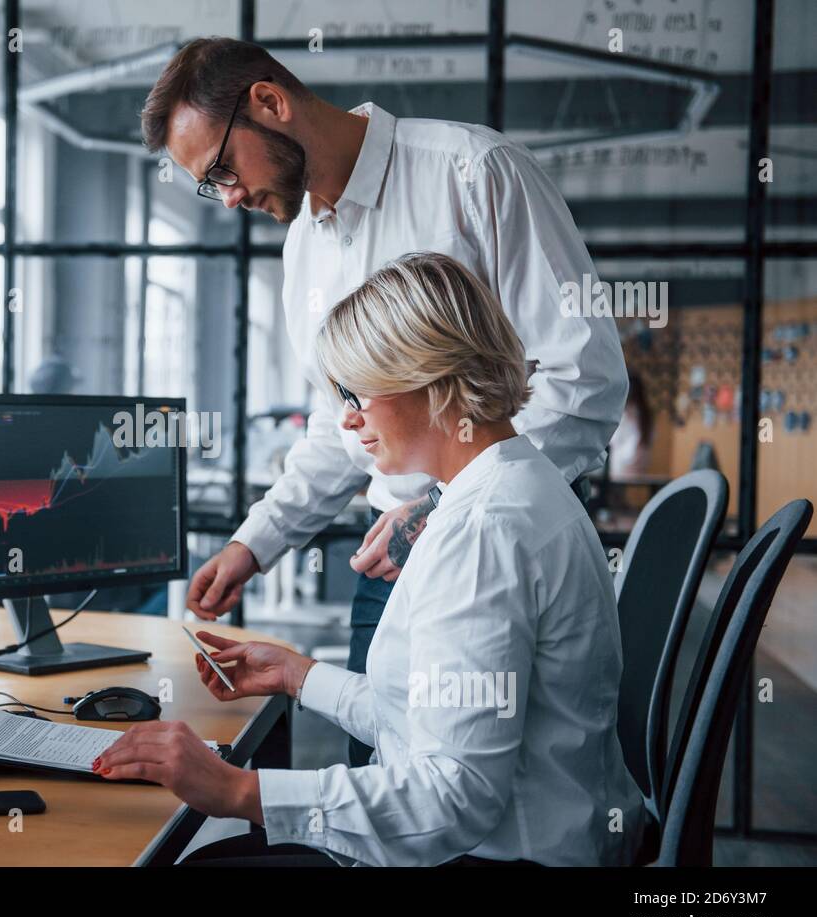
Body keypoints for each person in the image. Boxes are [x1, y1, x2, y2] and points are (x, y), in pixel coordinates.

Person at [141, 39, 627, 765]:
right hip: (388, 559)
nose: (231, 198)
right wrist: (255, 542)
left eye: (220, 170)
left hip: (500, 537)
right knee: (390, 776)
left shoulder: (471, 172)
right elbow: (344, 425)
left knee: (465, 789)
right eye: (211, 190)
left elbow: (583, 378)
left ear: (270, 103)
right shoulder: (304, 245)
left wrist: (444, 509)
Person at [92, 253, 646, 867]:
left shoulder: (483, 531)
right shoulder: (512, 485)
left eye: (357, 393)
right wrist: (298, 676)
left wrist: (237, 790)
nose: (347, 419)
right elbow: (431, 722)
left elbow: (453, 797)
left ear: (432, 377)